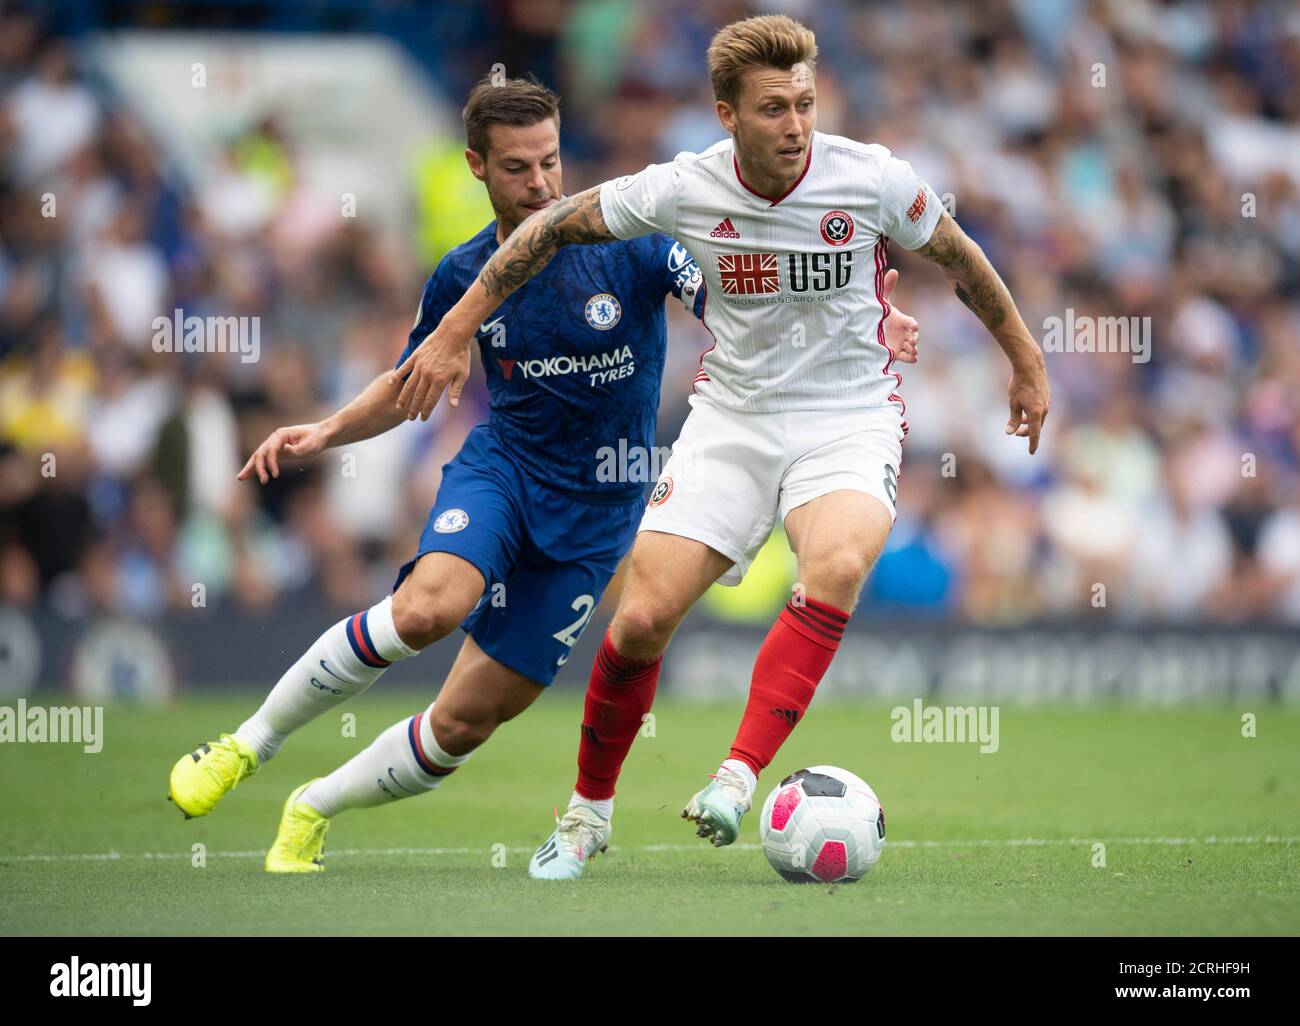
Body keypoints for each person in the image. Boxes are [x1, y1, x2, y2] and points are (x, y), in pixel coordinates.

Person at [165, 72, 928, 873]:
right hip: (506, 474)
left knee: (462, 724)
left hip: (598, 518)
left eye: (550, 163)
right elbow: (410, 382)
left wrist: (861, 321)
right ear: (476, 167)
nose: (539, 184)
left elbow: (731, 303)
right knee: (427, 609)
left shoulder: (631, 240)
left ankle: (314, 805)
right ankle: (247, 745)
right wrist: (326, 432)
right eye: (517, 168)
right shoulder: (465, 275)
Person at [390, 15, 1049, 881]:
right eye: (773, 107)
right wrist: (453, 334)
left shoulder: (874, 178)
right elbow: (547, 233)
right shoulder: (679, 188)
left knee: (839, 564)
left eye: (806, 103)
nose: (796, 125)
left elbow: (961, 259)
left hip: (847, 415)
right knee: (641, 620)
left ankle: (738, 776)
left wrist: (1027, 361)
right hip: (732, 419)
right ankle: (588, 815)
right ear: (726, 114)